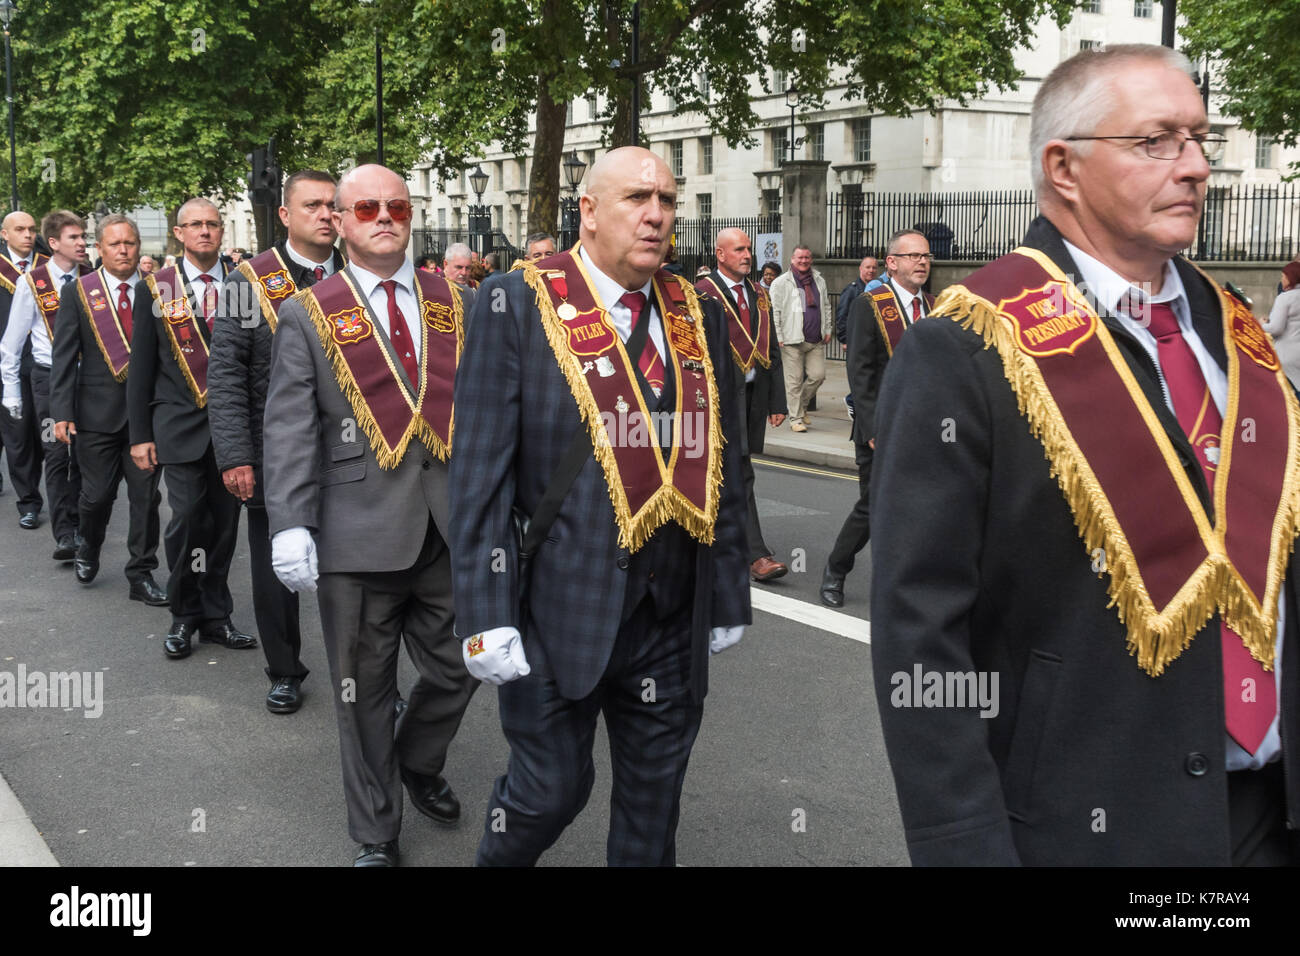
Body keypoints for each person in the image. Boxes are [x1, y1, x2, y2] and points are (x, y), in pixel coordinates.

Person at [871, 43, 1299, 866]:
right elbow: (920, 630)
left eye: (1201, 139)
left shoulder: (1234, 329)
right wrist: (963, 846)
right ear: (1064, 168)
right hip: (1095, 823)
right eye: (1158, 141)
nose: (1197, 167)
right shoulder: (961, 348)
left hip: (1268, 814)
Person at [449, 145, 750, 866]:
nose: (656, 216)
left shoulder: (694, 312)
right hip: (558, 611)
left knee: (652, 820)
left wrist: (730, 589)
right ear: (587, 210)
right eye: (636, 199)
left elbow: (724, 463)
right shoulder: (517, 304)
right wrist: (484, 616)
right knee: (548, 793)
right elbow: (480, 473)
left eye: (668, 201)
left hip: (670, 613)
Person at [263, 164, 477, 867]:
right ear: (343, 224)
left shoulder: (455, 300)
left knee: (459, 668)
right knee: (361, 694)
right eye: (366, 209)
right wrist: (291, 520)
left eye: (396, 206)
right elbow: (291, 424)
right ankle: (377, 833)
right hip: (355, 534)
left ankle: (416, 760)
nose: (384, 217)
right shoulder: (309, 309)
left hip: (446, 527)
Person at [209, 170, 345, 715]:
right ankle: (285, 669)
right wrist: (236, 454)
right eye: (312, 205)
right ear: (286, 215)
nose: (326, 214)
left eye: (333, 205)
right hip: (275, 454)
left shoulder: (357, 273)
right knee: (276, 571)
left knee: (355, 569)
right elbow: (226, 372)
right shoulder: (249, 281)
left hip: (349, 450)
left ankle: (366, 675)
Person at [127, 198, 256, 661]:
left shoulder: (245, 286)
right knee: (186, 523)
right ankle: (184, 615)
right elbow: (140, 366)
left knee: (224, 527)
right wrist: (139, 434)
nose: (205, 231)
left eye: (212, 224)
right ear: (179, 233)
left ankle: (217, 616)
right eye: (195, 225)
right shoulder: (155, 288)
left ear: (222, 232)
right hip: (178, 427)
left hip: (232, 429)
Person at [47, 214, 166, 603]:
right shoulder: (80, 292)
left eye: (129, 243)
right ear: (100, 248)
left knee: (146, 499)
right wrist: (61, 411)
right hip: (95, 415)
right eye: (114, 244)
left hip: (144, 418)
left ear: (139, 247)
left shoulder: (158, 291)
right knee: (96, 497)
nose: (123, 250)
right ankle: (89, 546)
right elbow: (64, 356)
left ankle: (141, 573)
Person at [820, 231, 932, 609]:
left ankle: (910, 585)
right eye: (913, 256)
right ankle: (836, 570)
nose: (921, 262)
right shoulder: (870, 306)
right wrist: (872, 429)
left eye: (926, 256)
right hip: (883, 429)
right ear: (892, 263)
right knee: (872, 507)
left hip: (926, 432)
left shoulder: (934, 306)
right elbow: (861, 372)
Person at [695, 227, 788, 582]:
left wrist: (777, 401)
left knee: (732, 472)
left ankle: (718, 541)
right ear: (720, 254)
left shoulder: (759, 294)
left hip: (750, 400)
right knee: (739, 474)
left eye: (749, 249)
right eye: (739, 250)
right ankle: (756, 554)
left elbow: (772, 350)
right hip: (716, 402)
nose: (748, 255)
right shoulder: (703, 294)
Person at [1, 210, 91, 560]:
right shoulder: (32, 282)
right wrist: (10, 392)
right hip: (49, 379)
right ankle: (64, 534)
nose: (82, 242)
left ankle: (83, 524)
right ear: (53, 243)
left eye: (84, 237)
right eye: (74, 238)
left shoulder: (92, 278)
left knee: (84, 455)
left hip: (87, 380)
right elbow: (11, 342)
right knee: (55, 453)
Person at [0, 211, 47, 528]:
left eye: (31, 229)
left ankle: (38, 496)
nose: (28, 235)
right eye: (20, 229)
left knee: (38, 431)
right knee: (15, 433)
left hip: (42, 360)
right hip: (6, 360)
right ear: (5, 234)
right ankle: (28, 500)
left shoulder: (48, 266)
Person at [768, 245, 830, 432]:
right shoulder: (781, 283)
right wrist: (778, 335)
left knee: (818, 376)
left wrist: (827, 328)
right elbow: (775, 312)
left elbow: (825, 305)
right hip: (791, 340)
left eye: (807, 257)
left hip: (815, 339)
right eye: (800, 258)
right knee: (793, 382)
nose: (804, 261)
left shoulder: (818, 280)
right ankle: (795, 418)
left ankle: (800, 407)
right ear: (792, 259)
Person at [1262, 259, 1300, 388]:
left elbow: (1276, 328)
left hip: (1286, 354)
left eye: (1283, 276)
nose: (1282, 280)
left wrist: (1260, 324)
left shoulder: (1284, 298)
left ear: (1291, 278)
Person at [835, 256, 879, 347]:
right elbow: (842, 316)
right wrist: (845, 340)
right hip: (856, 341)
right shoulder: (851, 290)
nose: (871, 270)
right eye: (868, 267)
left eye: (874, 268)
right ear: (860, 268)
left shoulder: (879, 290)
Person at [442, 242, 476, 313]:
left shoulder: (475, 286)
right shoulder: (434, 285)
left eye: (467, 268)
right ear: (445, 264)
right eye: (459, 267)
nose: (464, 273)